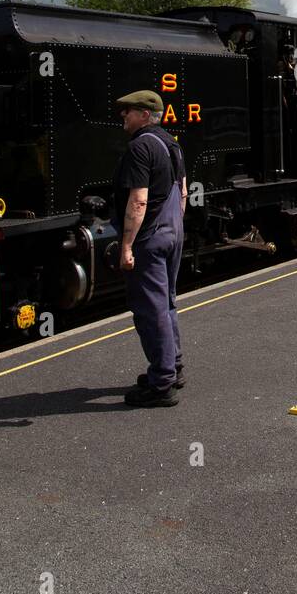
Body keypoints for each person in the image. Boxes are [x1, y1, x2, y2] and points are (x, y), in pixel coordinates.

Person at [111, 91, 188, 407]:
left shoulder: (140, 147)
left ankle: (160, 385)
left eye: (127, 111)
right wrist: (174, 229)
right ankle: (174, 367)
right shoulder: (172, 144)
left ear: (144, 115)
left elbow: (139, 199)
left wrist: (127, 245)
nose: (123, 116)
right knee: (167, 302)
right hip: (172, 232)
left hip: (151, 237)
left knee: (150, 309)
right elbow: (182, 193)